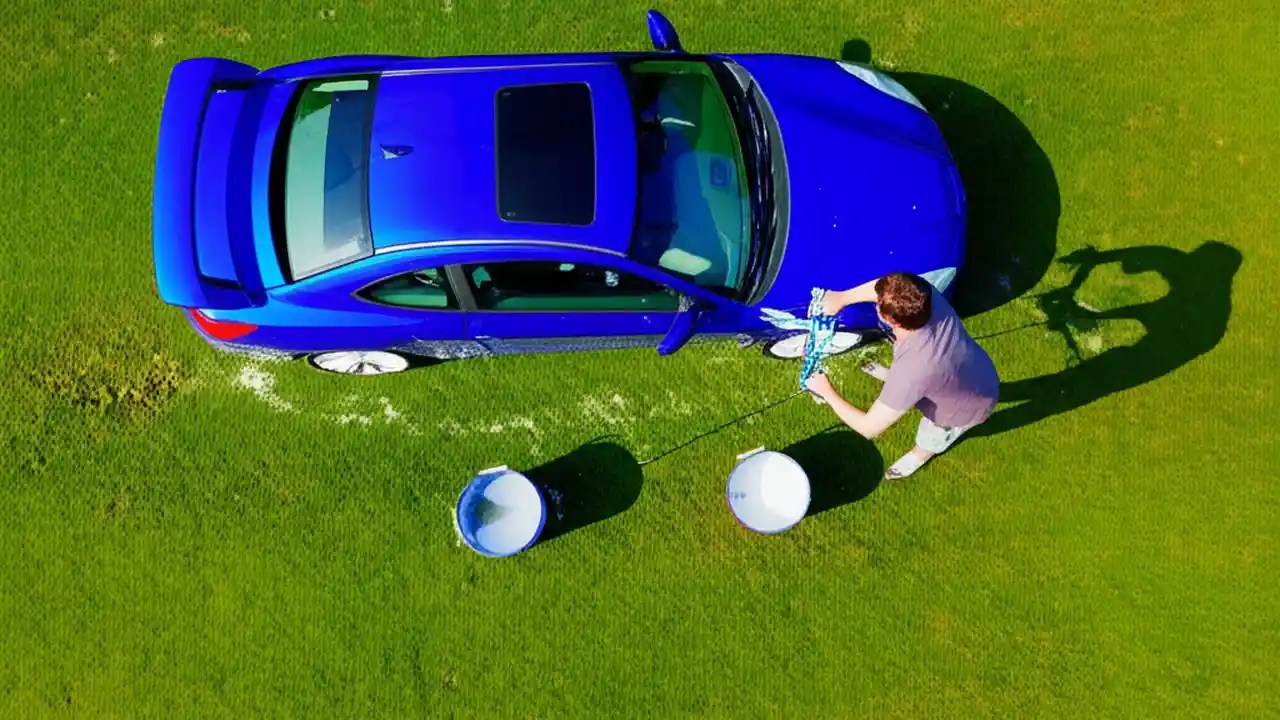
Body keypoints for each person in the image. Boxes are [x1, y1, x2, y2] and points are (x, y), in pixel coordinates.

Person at [804, 272, 1000, 480]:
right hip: (979, 372)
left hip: (961, 410)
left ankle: (919, 456)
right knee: (915, 383)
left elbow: (868, 428)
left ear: (890, 319)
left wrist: (826, 391)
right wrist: (842, 298)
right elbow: (886, 288)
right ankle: (899, 384)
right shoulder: (924, 295)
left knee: (932, 436)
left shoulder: (913, 370)